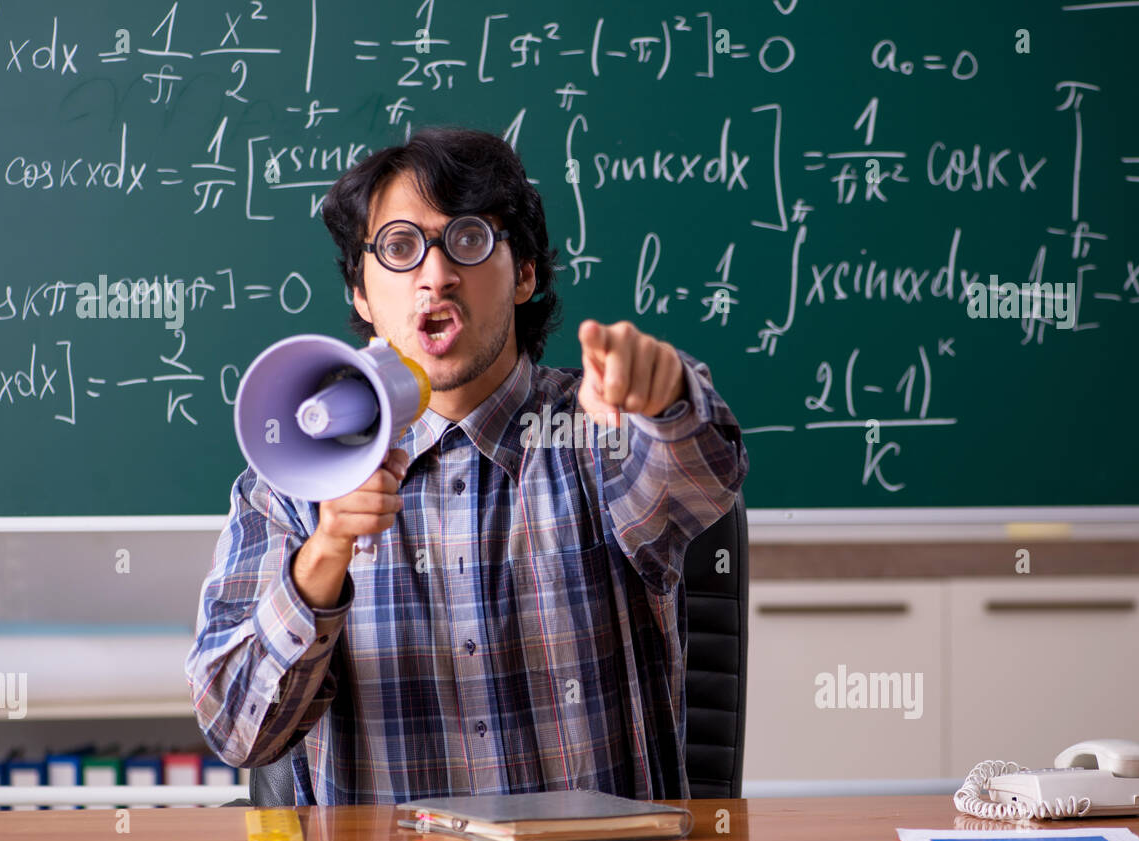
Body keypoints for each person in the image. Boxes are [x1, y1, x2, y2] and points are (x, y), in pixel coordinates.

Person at [187, 126, 748, 804]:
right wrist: (324, 555)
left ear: (526, 274)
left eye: (470, 239)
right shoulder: (290, 486)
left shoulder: (601, 432)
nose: (435, 273)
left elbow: (706, 469)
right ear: (361, 295)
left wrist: (664, 394)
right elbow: (236, 730)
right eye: (399, 247)